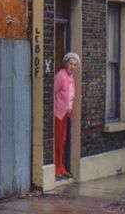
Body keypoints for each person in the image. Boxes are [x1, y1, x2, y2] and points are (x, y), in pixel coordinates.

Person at [54, 51, 80, 179]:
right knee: (58, 140)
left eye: (75, 65)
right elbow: (52, 92)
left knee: (63, 140)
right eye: (71, 64)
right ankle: (56, 167)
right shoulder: (61, 76)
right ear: (66, 63)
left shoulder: (70, 77)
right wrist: (55, 110)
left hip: (65, 114)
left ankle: (61, 166)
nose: (73, 67)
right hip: (58, 113)